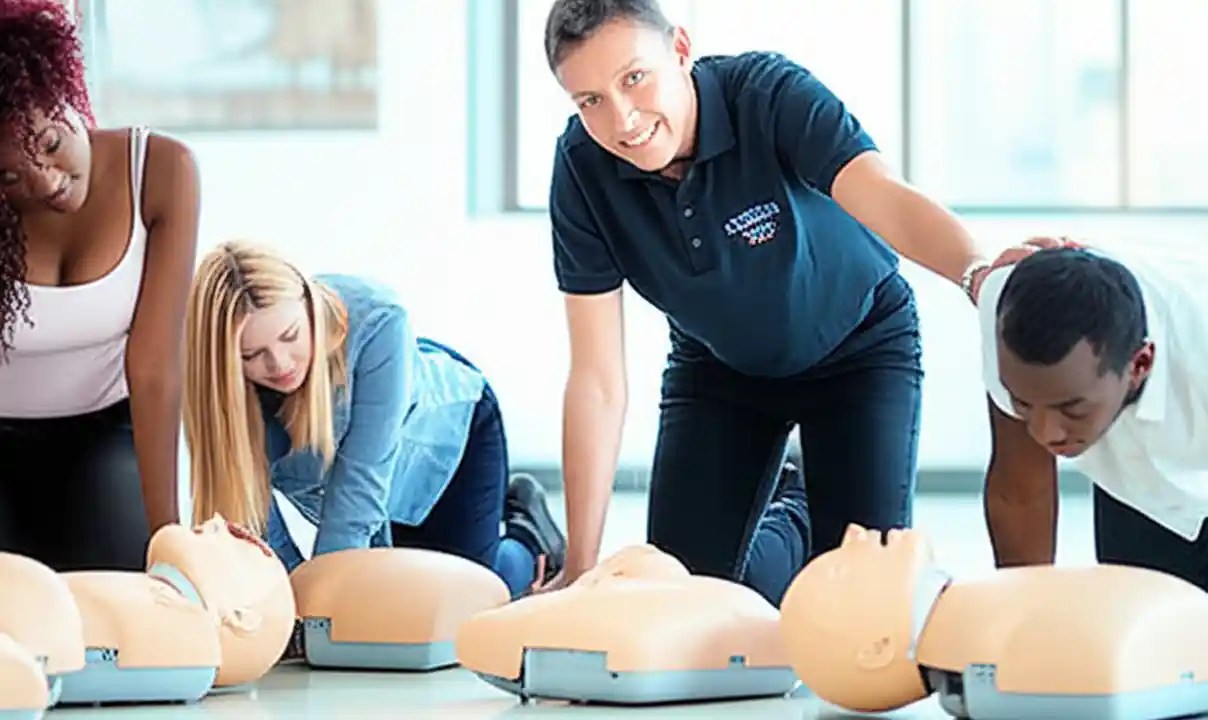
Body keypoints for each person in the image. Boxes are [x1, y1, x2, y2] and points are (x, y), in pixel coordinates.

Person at [535, 0, 1044, 602]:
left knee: (858, 610)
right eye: (590, 100)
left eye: (633, 78)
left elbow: (881, 195)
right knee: (687, 602)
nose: (622, 119)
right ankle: (794, 518)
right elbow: (597, 379)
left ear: (678, 51)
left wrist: (976, 273)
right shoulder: (581, 168)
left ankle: (806, 504)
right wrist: (580, 568)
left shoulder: (767, 94)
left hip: (859, 349)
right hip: (717, 372)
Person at [182, 240, 566, 598]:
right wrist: (287, 607)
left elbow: (357, 487)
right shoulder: (217, 386)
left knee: (464, 603)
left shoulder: (378, 319)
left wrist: (319, 607)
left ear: (309, 307)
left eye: (290, 336)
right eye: (252, 355)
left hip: (448, 436)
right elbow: (253, 522)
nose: (279, 364)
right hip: (377, 486)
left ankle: (529, 537)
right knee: (395, 605)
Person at [978, 243, 1208, 645]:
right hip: (1128, 468)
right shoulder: (1010, 308)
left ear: (1140, 365)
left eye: (1071, 407)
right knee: (1123, 646)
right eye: (1025, 403)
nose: (1045, 433)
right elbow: (1020, 492)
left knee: (1187, 654)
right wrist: (1023, 632)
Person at [0, 0, 197, 571]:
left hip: (104, 435)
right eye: (10, 176)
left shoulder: (163, 169)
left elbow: (155, 368)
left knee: (126, 613)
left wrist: (169, 540)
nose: (49, 185)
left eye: (52, 144)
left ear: (67, 93)